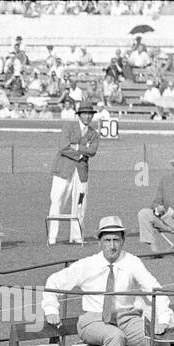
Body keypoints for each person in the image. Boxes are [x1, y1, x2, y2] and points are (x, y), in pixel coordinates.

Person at [41, 216, 174, 346]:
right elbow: (54, 282)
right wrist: (51, 310)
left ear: (123, 240)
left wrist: (161, 320)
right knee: (114, 336)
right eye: (107, 240)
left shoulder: (132, 262)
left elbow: (154, 289)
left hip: (126, 318)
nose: (112, 245)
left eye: (116, 240)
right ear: (100, 241)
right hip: (93, 320)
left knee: (160, 339)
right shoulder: (87, 264)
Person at [47, 102, 99, 244]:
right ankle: (52, 237)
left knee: (80, 204)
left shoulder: (93, 134)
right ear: (79, 115)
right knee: (57, 200)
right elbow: (63, 147)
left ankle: (77, 236)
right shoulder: (69, 127)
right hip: (63, 170)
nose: (87, 117)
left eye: (90, 114)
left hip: (81, 174)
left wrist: (76, 146)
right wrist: (81, 154)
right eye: (84, 114)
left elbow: (93, 151)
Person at [137, 151, 174, 252]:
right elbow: (155, 202)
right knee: (143, 213)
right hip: (166, 221)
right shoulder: (165, 181)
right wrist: (157, 209)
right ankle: (154, 249)